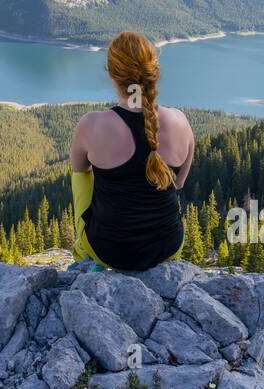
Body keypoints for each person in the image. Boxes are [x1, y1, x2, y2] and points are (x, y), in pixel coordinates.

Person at [68, 30, 195, 272]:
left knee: (82, 175)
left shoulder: (92, 124)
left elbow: (79, 171)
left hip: (108, 251)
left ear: (111, 74)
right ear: (153, 71)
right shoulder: (180, 121)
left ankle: (83, 255)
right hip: (168, 247)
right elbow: (178, 183)